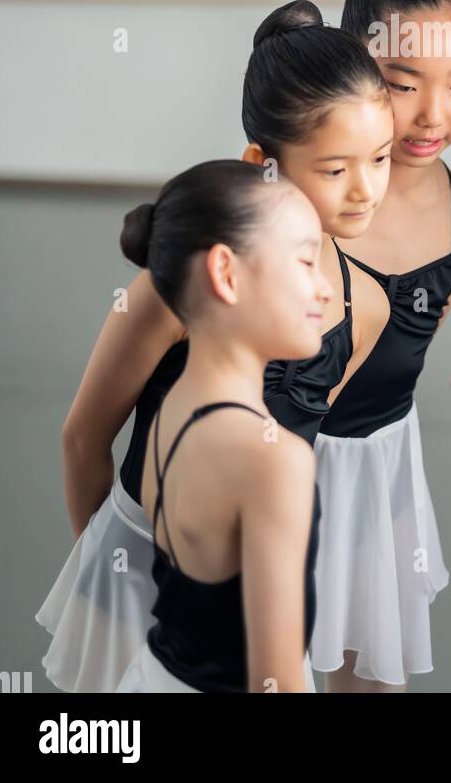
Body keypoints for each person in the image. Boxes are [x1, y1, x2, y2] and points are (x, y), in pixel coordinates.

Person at [37, 2, 392, 691]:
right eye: (335, 169)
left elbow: (290, 460)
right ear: (262, 164)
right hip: (146, 566)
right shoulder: (188, 280)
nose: (367, 189)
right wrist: (113, 579)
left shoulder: (366, 307)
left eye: (378, 159)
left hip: (246, 589)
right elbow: (84, 437)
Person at [301, 0, 451, 692]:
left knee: (370, 679)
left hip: (375, 474)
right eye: (400, 83)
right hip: (268, 460)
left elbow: (397, 357)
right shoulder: (292, 197)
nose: (433, 115)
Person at [114, 159, 328, 692]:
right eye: (307, 261)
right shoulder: (272, 458)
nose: (325, 289)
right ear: (226, 273)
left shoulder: (174, 409)